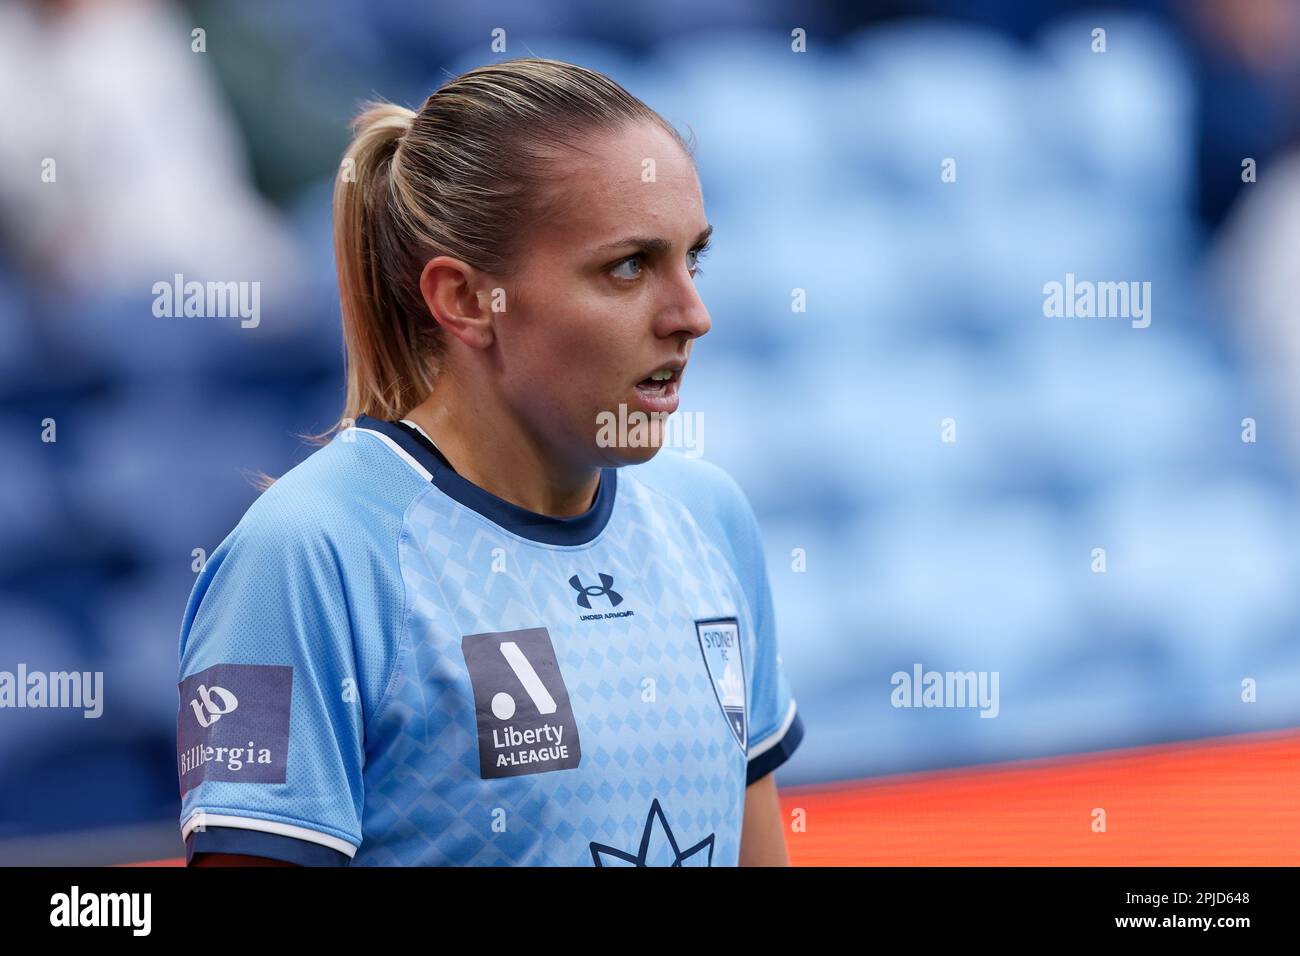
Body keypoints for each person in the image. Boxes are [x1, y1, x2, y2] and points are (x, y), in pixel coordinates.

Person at [177, 57, 803, 866]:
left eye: (694, 259)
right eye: (629, 266)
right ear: (468, 300)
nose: (693, 314)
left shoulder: (710, 516)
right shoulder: (306, 556)